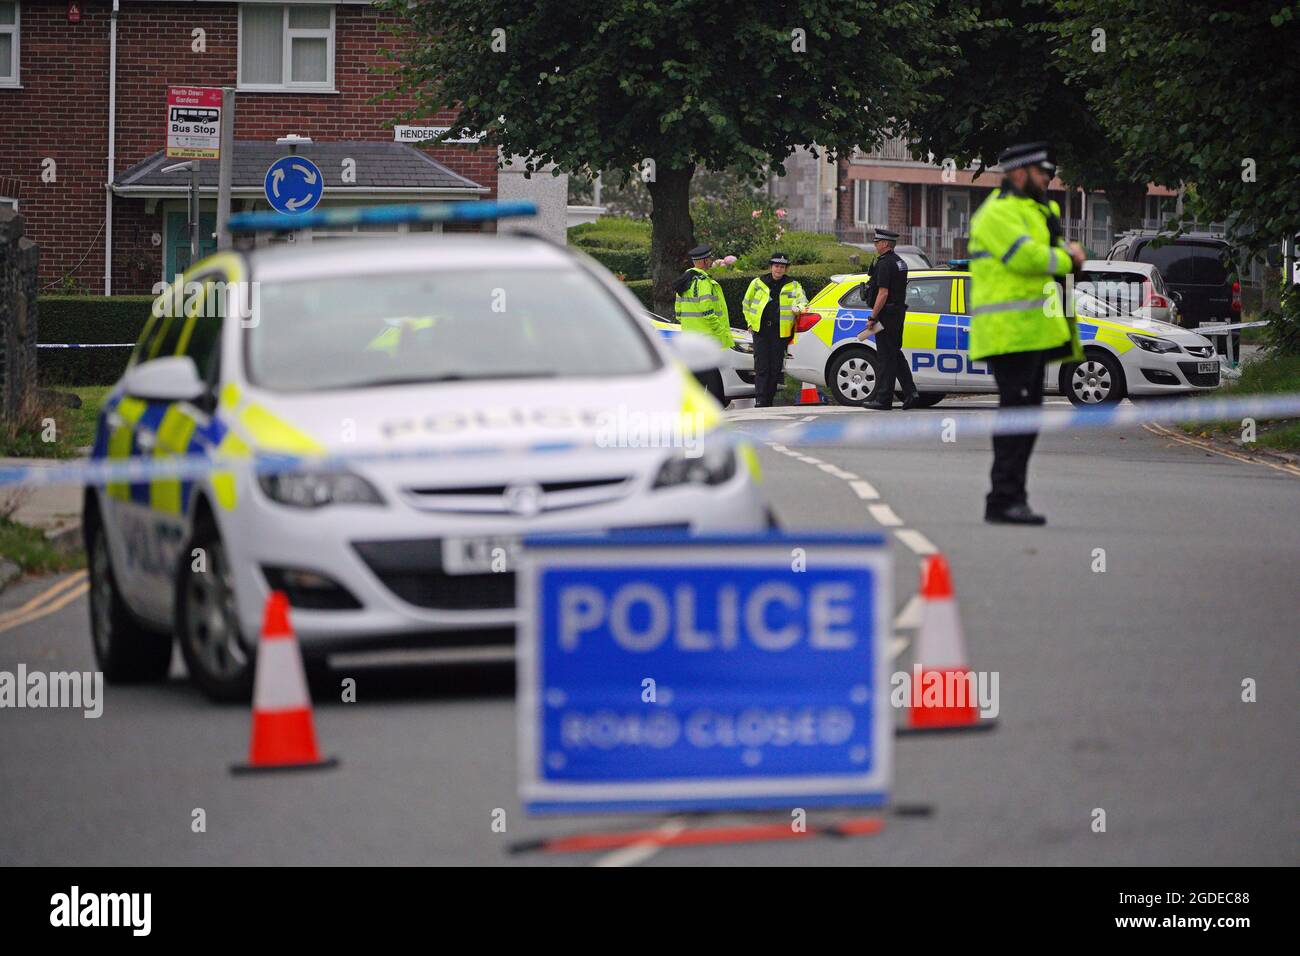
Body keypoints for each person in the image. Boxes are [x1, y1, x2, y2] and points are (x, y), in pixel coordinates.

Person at [968, 141, 1086, 525]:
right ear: (1019, 173)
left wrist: (1064, 253)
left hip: (1032, 333)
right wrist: (1069, 256)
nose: (1049, 180)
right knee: (1016, 416)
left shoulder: (1035, 211)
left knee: (1027, 417)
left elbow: (1049, 262)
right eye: (1043, 173)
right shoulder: (998, 214)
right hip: (1008, 334)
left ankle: (1010, 496)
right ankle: (1002, 499)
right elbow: (1026, 258)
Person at [856, 228, 920, 410]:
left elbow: (883, 293)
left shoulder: (884, 264)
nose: (875, 245)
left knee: (885, 357)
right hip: (898, 313)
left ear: (885, 244)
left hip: (885, 315)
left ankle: (883, 399)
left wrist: (872, 317)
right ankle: (911, 392)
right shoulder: (900, 262)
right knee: (895, 355)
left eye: (877, 242)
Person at [741, 252, 808, 407]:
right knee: (761, 367)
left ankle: (768, 401)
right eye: (776, 266)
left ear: (786, 269)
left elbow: (803, 301)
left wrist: (798, 308)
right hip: (761, 330)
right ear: (771, 267)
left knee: (775, 368)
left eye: (782, 267)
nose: (779, 269)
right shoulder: (758, 283)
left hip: (780, 332)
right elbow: (746, 303)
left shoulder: (794, 285)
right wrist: (750, 323)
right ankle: (760, 400)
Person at [673, 243, 732, 403]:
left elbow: (678, 313)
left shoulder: (684, 282)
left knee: (697, 379)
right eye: (709, 258)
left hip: (691, 337)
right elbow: (708, 312)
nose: (711, 261)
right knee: (712, 380)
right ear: (704, 261)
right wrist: (720, 331)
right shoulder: (703, 283)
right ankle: (712, 413)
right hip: (707, 338)